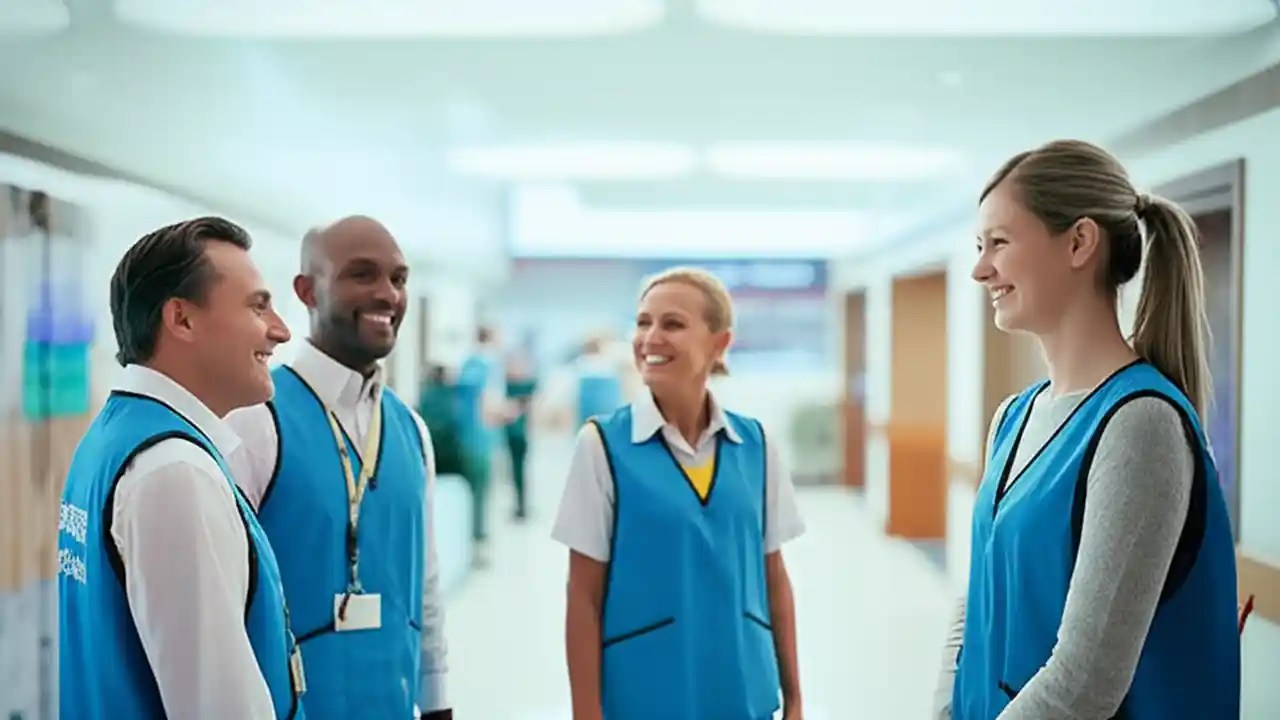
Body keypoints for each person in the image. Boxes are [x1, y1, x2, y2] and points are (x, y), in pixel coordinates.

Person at [938, 139, 1240, 719]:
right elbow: (975, 602)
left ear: (1079, 242)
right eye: (979, 246)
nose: (980, 269)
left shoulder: (1139, 426)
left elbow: (1085, 683)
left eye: (999, 243)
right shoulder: (1013, 417)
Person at [57, 217, 304, 719]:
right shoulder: (174, 472)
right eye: (258, 307)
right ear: (182, 319)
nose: (280, 330)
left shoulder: (113, 440)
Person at [553, 267, 806, 720]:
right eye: (643, 322)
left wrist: (796, 699)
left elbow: (774, 579)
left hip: (744, 693)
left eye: (672, 324)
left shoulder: (756, 445)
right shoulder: (602, 446)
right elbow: (583, 596)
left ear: (719, 344)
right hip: (644, 697)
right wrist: (586, 713)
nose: (650, 338)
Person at [224, 216, 451, 720]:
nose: (387, 294)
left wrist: (437, 701)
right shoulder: (255, 419)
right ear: (307, 291)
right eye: (362, 274)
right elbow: (221, 601)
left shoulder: (410, 430)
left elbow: (427, 585)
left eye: (398, 278)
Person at [454, 325, 509, 566]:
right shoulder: (490, 365)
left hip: (465, 438)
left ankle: (467, 544)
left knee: (471, 493)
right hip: (482, 439)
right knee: (481, 494)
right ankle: (478, 545)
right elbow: (490, 406)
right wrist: (510, 412)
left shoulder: (467, 364)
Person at [504, 349, 538, 521]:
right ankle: (518, 505)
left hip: (520, 436)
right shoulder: (507, 386)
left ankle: (521, 506)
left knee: (519, 472)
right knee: (512, 473)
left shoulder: (524, 387)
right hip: (508, 435)